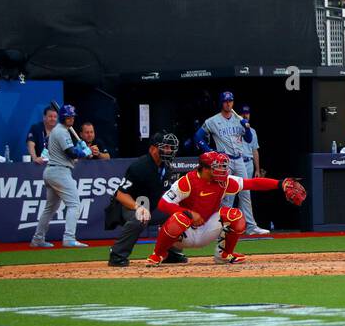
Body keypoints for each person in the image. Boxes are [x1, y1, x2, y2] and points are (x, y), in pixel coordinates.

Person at [148, 152, 304, 264]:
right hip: (184, 233)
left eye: (223, 167)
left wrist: (279, 183)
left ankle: (224, 254)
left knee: (236, 216)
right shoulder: (187, 181)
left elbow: (252, 183)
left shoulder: (224, 181)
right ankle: (158, 254)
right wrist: (188, 213)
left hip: (207, 227)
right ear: (205, 168)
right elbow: (163, 204)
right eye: (217, 167)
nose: (223, 170)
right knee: (180, 217)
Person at [194, 91, 269, 236]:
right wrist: (210, 151)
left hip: (239, 159)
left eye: (230, 101)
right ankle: (223, 226)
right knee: (226, 195)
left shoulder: (238, 118)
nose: (228, 103)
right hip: (224, 161)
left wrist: (246, 127)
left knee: (245, 192)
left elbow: (248, 139)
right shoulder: (213, 121)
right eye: (225, 101)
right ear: (221, 103)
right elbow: (198, 136)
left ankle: (251, 226)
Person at [105, 131, 184, 267]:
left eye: (170, 148)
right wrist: (138, 207)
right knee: (140, 216)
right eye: (165, 147)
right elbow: (120, 194)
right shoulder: (140, 166)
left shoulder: (167, 167)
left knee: (180, 215)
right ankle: (117, 255)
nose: (169, 151)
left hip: (152, 206)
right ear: (153, 148)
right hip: (128, 206)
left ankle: (170, 252)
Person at [28, 104, 94, 249]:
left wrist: (81, 149)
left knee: (50, 208)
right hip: (59, 172)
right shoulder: (61, 132)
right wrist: (84, 152)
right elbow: (71, 153)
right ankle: (69, 238)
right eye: (68, 117)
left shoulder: (61, 131)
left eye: (72, 117)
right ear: (63, 117)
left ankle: (37, 239)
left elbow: (69, 152)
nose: (71, 119)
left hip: (53, 171)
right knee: (74, 204)